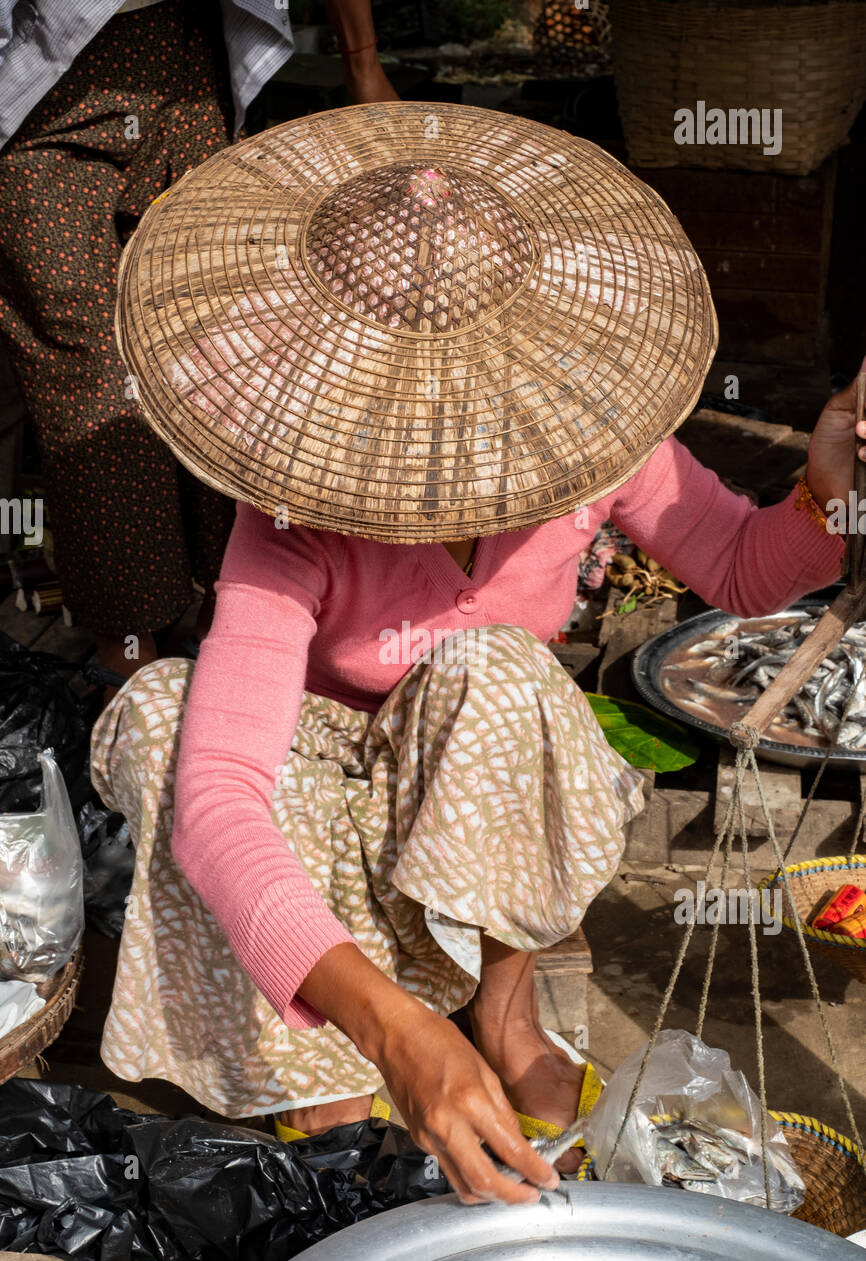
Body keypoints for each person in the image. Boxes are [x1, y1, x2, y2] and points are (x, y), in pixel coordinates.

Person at [91, 102, 861, 1205]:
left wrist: (824, 497)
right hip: (324, 791)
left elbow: (739, 567)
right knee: (166, 718)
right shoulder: (296, 510)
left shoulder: (588, 435)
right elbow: (223, 796)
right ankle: (332, 1056)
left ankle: (501, 1022)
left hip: (458, 779)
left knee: (494, 666)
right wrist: (393, 1032)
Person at [0, 0, 394, 689]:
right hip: (41, 85)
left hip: (181, 63)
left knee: (211, 354)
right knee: (91, 379)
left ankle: (233, 617)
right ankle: (130, 646)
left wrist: (361, 63)